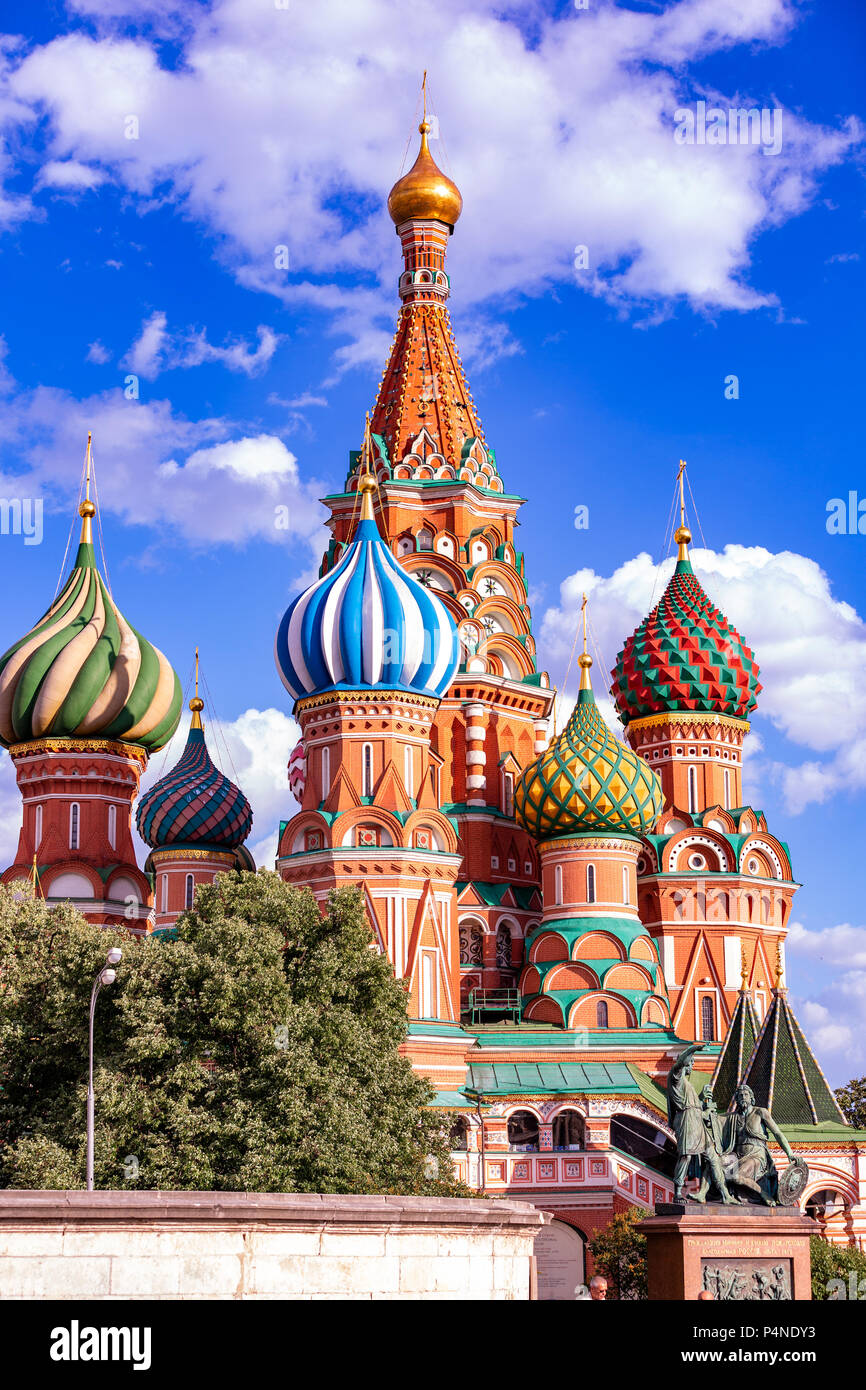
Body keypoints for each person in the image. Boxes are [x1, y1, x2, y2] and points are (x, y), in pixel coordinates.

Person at [666, 1044, 736, 1203]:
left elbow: (694, 1106)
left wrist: (704, 1103)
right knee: (686, 1156)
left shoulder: (686, 1084)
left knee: (712, 1156)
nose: (692, 1066)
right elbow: (680, 1062)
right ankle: (677, 1192)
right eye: (691, 1063)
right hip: (687, 1122)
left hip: (697, 1123)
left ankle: (725, 1194)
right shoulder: (675, 1077)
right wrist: (694, 1048)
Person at [723, 1083, 795, 1206]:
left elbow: (777, 1133)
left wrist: (789, 1153)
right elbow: (713, 1120)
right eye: (740, 1095)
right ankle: (705, 1194)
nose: (743, 1097)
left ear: (751, 1098)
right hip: (736, 1155)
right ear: (736, 1099)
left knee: (735, 1176)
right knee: (715, 1167)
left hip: (756, 1155)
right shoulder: (733, 1117)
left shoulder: (760, 1112)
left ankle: (763, 1193)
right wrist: (704, 1104)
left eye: (746, 1094)